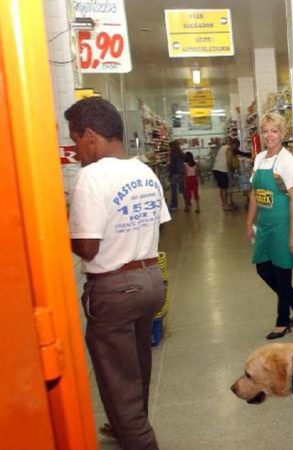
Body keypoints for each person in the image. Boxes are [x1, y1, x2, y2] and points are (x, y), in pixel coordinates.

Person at [65, 97, 169, 450]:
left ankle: (138, 437)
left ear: (91, 135)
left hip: (114, 287)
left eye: (75, 139)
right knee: (136, 364)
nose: (76, 149)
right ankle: (126, 424)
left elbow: (88, 248)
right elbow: (160, 225)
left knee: (115, 377)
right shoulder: (144, 171)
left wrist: (59, 229)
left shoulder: (91, 177)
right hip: (151, 279)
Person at [245, 112, 293, 340]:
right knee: (262, 268)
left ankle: (283, 320)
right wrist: (248, 222)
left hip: (283, 224)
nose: (269, 135)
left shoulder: (287, 161)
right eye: (265, 130)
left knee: (282, 274)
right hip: (265, 225)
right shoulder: (260, 158)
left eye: (274, 131)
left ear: (282, 133)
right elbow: (254, 193)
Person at [212, 139, 233, 210]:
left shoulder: (222, 147)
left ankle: (224, 204)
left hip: (216, 169)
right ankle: (226, 205)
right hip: (222, 170)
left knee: (221, 188)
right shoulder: (229, 149)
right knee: (224, 188)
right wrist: (230, 170)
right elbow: (229, 161)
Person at [167, 140, 186, 211]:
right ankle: (187, 204)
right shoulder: (180, 153)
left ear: (172, 146)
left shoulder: (173, 153)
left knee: (174, 190)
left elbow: (173, 165)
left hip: (175, 173)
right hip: (181, 173)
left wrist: (170, 174)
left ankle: (174, 205)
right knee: (183, 190)